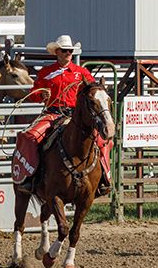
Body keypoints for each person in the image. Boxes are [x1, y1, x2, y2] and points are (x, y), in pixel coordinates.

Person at [12, 35, 112, 196]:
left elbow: (94, 90)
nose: (68, 53)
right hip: (53, 113)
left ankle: (104, 178)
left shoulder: (81, 73)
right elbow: (34, 94)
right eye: (65, 50)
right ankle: (29, 178)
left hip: (76, 116)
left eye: (70, 51)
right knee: (30, 137)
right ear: (57, 52)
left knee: (103, 141)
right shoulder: (46, 72)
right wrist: (41, 96)